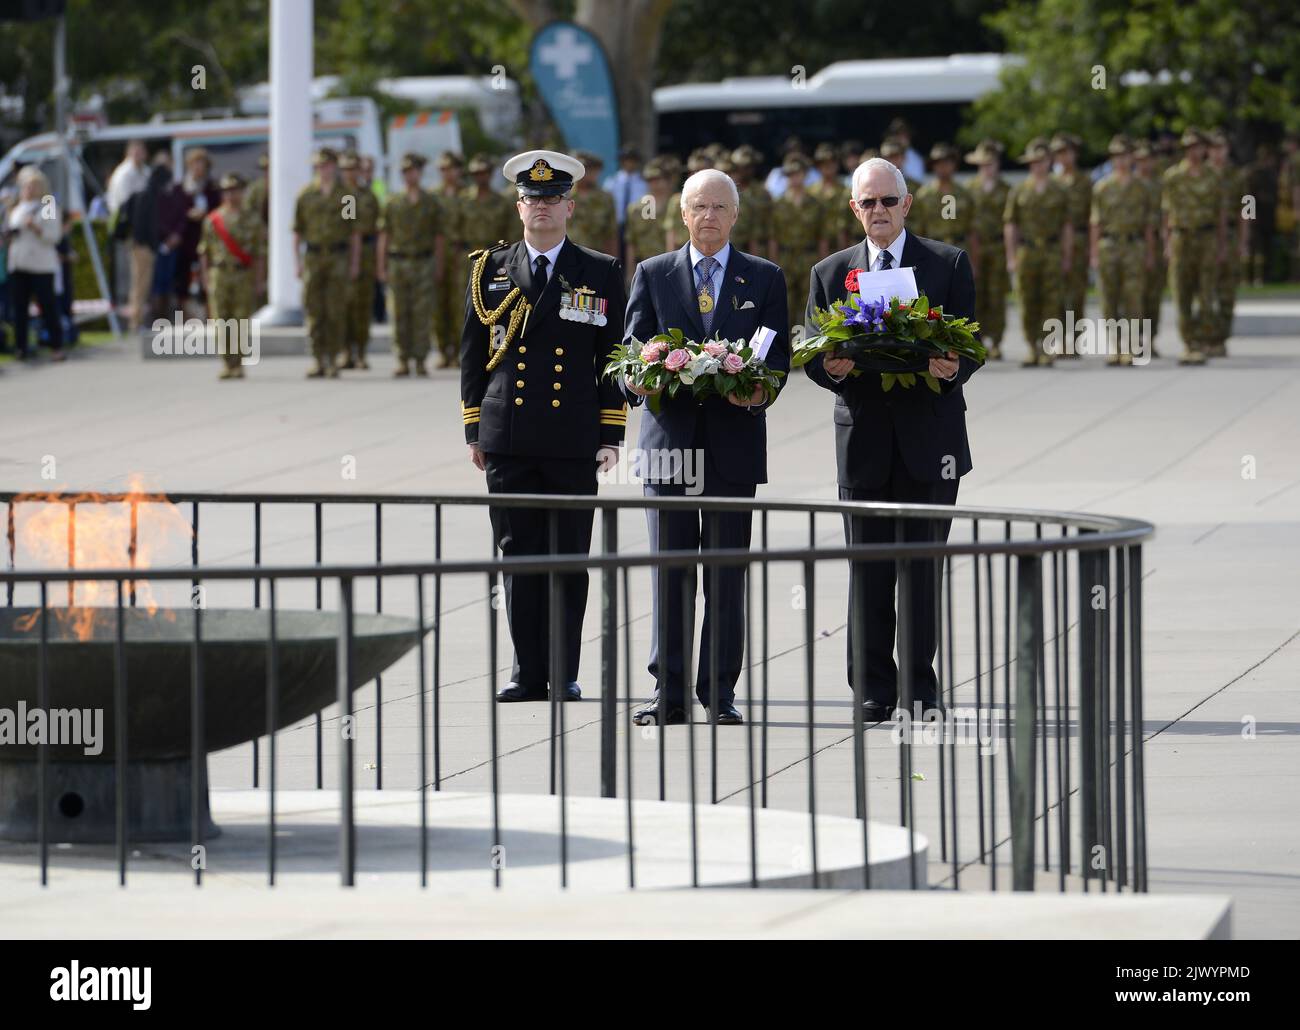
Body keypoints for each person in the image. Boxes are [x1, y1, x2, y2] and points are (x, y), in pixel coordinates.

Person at [803, 156, 980, 723]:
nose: (878, 211)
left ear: (907, 204)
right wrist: (832, 366)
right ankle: (873, 688)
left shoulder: (947, 263)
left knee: (922, 567)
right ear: (854, 208)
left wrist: (953, 368)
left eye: (888, 201)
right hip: (864, 443)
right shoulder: (831, 273)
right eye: (867, 202)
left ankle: (921, 690)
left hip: (931, 441)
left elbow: (972, 342)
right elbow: (811, 352)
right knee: (869, 567)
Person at [623, 167, 789, 726]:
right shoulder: (653, 272)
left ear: (735, 214)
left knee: (724, 574)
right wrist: (638, 379)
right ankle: (666, 693)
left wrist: (759, 388)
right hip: (668, 446)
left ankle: (719, 691)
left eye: (720, 207)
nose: (709, 217)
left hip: (731, 446)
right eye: (699, 207)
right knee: (669, 573)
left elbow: (777, 360)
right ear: (682, 214)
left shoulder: (763, 278)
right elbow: (631, 351)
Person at [461, 150, 628, 703]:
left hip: (572, 437)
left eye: (552, 198)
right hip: (509, 434)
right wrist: (473, 429)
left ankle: (564, 670)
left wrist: (611, 432)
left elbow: (612, 356)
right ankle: (527, 672)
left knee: (568, 559)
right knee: (519, 555)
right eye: (532, 198)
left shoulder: (599, 271)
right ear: (519, 205)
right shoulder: (490, 269)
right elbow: (471, 353)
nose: (541, 207)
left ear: (570, 207)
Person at [1004, 137, 1072, 366]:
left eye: (1041, 161)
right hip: (1028, 251)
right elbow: (1011, 224)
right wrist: (1011, 256)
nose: (1037, 165)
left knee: (1051, 301)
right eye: (1032, 161)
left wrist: (1067, 256)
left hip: (1051, 251)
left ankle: (1047, 347)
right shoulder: (1019, 190)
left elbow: (1066, 226)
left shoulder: (1059, 189)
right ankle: (1032, 346)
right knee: (1027, 300)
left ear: (1048, 162)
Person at [293, 146, 360, 378]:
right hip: (313, 256)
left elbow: (353, 232)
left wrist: (354, 263)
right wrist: (297, 262)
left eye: (328, 165)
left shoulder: (347, 195)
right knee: (313, 309)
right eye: (320, 166)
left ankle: (333, 358)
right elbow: (297, 231)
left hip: (338, 257)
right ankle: (317, 358)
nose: (324, 170)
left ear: (334, 166)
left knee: (335, 310)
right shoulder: (305, 195)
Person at [1090, 135, 1152, 366]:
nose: (1122, 160)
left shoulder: (1142, 187)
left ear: (1131, 158)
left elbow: (1148, 223)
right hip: (1109, 246)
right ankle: (1114, 347)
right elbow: (1095, 222)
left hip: (1134, 246)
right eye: (1117, 156)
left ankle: (1131, 346)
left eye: (1125, 155)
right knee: (1109, 299)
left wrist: (1150, 253)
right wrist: (1094, 254)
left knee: (1133, 298)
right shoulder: (1102, 187)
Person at [378, 152, 442, 377]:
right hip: (398, 262)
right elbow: (384, 235)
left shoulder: (431, 201)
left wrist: (438, 265)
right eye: (405, 172)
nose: (409, 175)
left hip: (423, 262)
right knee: (399, 313)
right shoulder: (393, 202)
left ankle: (421, 359)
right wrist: (381, 266)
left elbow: (438, 236)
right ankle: (402, 359)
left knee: (421, 314)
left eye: (412, 170)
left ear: (419, 172)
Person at [1162, 129, 1219, 366]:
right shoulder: (1173, 176)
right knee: (1182, 293)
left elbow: (1222, 212)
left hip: (1207, 238)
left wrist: (1225, 244)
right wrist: (1166, 243)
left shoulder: (1213, 176)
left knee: (1206, 295)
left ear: (1204, 149)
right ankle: (1188, 344)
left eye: (1198, 147)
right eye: (1189, 148)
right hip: (1181, 238)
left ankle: (1204, 341)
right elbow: (1165, 212)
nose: (1194, 152)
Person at [198, 172, 263, 380]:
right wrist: (206, 278)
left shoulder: (252, 219)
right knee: (221, 320)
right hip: (220, 273)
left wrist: (259, 281)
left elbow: (260, 253)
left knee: (240, 319)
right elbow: (204, 251)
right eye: (226, 191)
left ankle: (239, 362)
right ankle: (228, 362)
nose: (230, 195)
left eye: (234, 191)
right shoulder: (213, 219)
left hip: (243, 274)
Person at [5, 167, 66, 361]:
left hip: (41, 265)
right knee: (19, 308)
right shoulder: (16, 207)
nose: (30, 189)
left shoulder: (47, 205)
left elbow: (53, 236)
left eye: (34, 185)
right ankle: (21, 347)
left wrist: (36, 227)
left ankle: (56, 346)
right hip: (18, 264)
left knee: (48, 306)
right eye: (26, 186)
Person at [966, 139, 1010, 360]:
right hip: (975, 246)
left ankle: (996, 341)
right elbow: (960, 219)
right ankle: (978, 340)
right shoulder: (968, 190)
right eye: (982, 164)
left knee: (996, 295)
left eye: (990, 164)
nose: (986, 168)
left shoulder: (1007, 189)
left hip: (998, 246)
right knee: (976, 295)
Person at [770, 153, 825, 326]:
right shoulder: (778, 204)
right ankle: (785, 349)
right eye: (790, 174)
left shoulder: (816, 204)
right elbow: (773, 237)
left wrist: (823, 265)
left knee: (808, 305)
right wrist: (773, 265)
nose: (794, 178)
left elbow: (821, 237)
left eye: (798, 173)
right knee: (784, 305)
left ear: (805, 174)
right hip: (785, 259)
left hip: (809, 258)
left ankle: (804, 346)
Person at [1207, 129, 1248, 357]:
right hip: (1205, 236)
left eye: (1221, 148)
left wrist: (1244, 240)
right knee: (1205, 290)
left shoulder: (1237, 176)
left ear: (1227, 149)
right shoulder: (1202, 175)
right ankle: (1205, 337)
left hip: (1231, 234)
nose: (1217, 153)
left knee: (1226, 290)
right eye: (1213, 148)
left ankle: (1221, 338)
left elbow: (1247, 210)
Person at [338, 151, 380, 370]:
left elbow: (376, 227)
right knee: (344, 305)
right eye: (345, 169)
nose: (349, 173)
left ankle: (361, 351)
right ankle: (346, 351)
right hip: (343, 254)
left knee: (363, 305)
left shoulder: (367, 195)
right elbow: (347, 224)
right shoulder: (343, 196)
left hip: (365, 252)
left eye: (353, 168)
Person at [1051, 133, 1092, 356]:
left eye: (1066, 152)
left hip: (1079, 240)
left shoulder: (1084, 181)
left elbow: (1091, 215)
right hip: (1054, 243)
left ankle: (1075, 340)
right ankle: (1058, 340)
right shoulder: (1051, 182)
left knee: (1076, 294)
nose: (1063, 157)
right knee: (1055, 294)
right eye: (1058, 153)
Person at [433, 151, 469, 369]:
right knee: (439, 304)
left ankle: (458, 350)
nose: (448, 173)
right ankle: (442, 349)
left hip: (461, 254)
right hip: (438, 253)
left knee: (459, 304)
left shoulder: (467, 194)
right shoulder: (433, 196)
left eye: (451, 168)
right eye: (444, 169)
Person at [177, 148, 220, 317]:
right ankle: (185, 315)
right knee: (183, 279)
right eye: (195, 164)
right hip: (187, 239)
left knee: (207, 275)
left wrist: (206, 214)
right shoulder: (181, 188)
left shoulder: (212, 188)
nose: (198, 168)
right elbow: (176, 212)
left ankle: (209, 313)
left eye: (201, 164)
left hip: (207, 238)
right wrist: (187, 214)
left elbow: (218, 210)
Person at [910, 142, 975, 251]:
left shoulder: (965, 194)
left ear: (954, 165)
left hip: (960, 250)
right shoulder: (923, 196)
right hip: (932, 251)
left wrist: (974, 263)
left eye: (947, 162)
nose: (943, 167)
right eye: (938, 163)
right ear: (933, 166)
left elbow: (972, 230)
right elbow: (917, 232)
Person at [1134, 143, 1166, 358]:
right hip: (1134, 243)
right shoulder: (1129, 185)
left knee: (1153, 295)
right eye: (1141, 159)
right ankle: (1133, 340)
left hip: (1157, 242)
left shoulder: (1161, 185)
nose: (1146, 163)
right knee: (1133, 295)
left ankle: (1150, 339)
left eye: (1149, 159)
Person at [623, 157, 672, 278]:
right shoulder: (636, 209)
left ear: (667, 180)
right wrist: (630, 273)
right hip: (644, 266)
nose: (654, 183)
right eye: (650, 179)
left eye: (657, 178)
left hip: (671, 266)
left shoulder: (679, 206)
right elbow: (631, 243)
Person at [567, 150, 619, 256]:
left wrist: (614, 264)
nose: (591, 174)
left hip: (595, 256)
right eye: (587, 170)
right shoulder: (562, 196)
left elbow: (611, 234)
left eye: (594, 171)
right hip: (566, 254)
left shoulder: (605, 198)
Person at [463, 153, 516, 253]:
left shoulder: (502, 202)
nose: (480, 176)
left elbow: (510, 233)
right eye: (476, 173)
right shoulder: (463, 200)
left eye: (484, 172)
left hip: (494, 254)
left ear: (490, 173)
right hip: (467, 256)